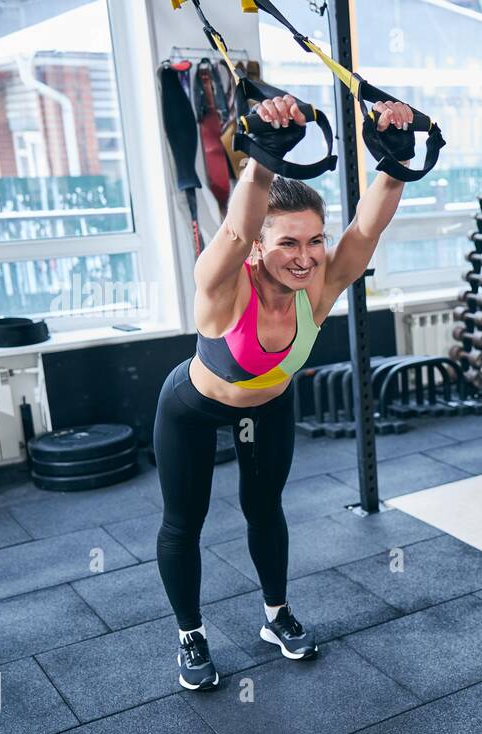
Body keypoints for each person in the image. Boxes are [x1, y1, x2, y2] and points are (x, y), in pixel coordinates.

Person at [155, 93, 415, 690]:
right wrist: (263, 159)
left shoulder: (319, 287)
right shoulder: (221, 283)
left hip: (268, 406)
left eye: (313, 241)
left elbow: (368, 225)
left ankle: (275, 614)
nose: (305, 257)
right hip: (192, 408)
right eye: (287, 243)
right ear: (256, 248)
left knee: (264, 507)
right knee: (183, 521)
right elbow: (235, 223)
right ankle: (190, 634)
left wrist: (394, 164)